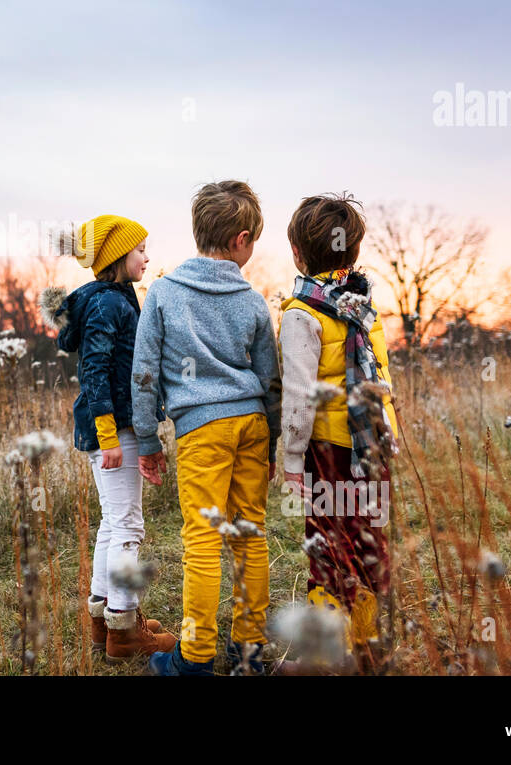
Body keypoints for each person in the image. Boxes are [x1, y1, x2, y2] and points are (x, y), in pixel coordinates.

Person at [130, 181, 281, 676]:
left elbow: (145, 371)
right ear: (241, 239)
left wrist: (147, 437)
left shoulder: (164, 293)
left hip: (202, 428)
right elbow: (269, 378)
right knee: (249, 535)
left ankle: (194, 658)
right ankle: (249, 652)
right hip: (252, 424)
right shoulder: (253, 301)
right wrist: (273, 440)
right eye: (254, 240)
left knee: (202, 541)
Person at [44, 214, 176, 662]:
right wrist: (110, 436)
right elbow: (94, 370)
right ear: (119, 255)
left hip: (111, 427)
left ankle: (105, 621)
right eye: (141, 249)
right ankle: (124, 626)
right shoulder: (110, 305)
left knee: (111, 522)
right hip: (114, 428)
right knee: (127, 527)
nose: (147, 256)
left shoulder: (112, 298)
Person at [279, 193, 399, 670]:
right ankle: (367, 644)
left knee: (327, 545)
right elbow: (382, 381)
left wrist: (290, 459)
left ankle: (327, 657)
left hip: (328, 451)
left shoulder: (301, 312)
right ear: (352, 252)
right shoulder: (365, 308)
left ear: (298, 254)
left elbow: (299, 397)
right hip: (372, 447)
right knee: (367, 540)